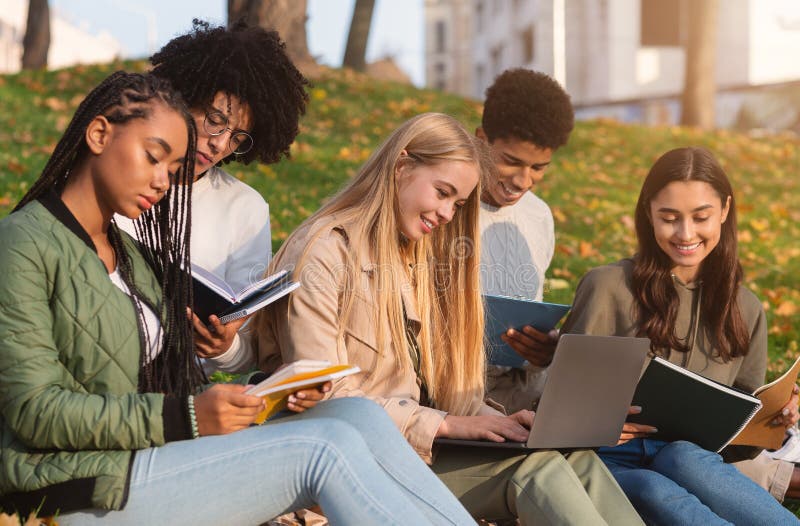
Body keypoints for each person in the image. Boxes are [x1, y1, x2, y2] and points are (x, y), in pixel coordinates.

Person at [0, 71, 479, 526]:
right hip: (72, 487)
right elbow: (35, 412)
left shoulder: (128, 255)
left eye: (173, 167)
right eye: (154, 157)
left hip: (146, 458)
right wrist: (187, 415)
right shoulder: (24, 244)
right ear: (99, 134)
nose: (165, 181)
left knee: (356, 414)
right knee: (323, 449)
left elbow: (149, 386)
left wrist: (266, 398)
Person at [229, 112, 643, 525]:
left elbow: (439, 386)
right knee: (537, 473)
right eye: (442, 193)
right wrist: (447, 426)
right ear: (402, 166)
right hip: (354, 467)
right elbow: (326, 398)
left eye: (458, 203)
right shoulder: (324, 251)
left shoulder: (417, 257)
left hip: (414, 454)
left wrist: (500, 424)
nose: (448, 213)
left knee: (579, 463)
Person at [560, 146, 799, 524]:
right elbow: (560, 406)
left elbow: (739, 434)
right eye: (669, 218)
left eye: (700, 217)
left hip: (694, 460)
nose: (685, 234)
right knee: (654, 489)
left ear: (724, 210)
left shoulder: (745, 308)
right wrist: (596, 421)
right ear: (648, 214)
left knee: (683, 457)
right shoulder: (606, 287)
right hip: (606, 459)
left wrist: (773, 418)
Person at [116, 19, 309, 369]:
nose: (220, 143)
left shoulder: (245, 208)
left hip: (178, 388)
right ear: (181, 98)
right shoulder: (116, 170)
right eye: (215, 120)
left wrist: (223, 348)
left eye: (237, 138)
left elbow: (248, 341)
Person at [475, 68, 574, 414]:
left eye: (539, 168)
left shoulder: (538, 216)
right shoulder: (442, 207)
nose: (523, 181)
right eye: (511, 162)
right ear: (480, 138)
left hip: (522, 389)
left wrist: (543, 351)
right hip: (455, 390)